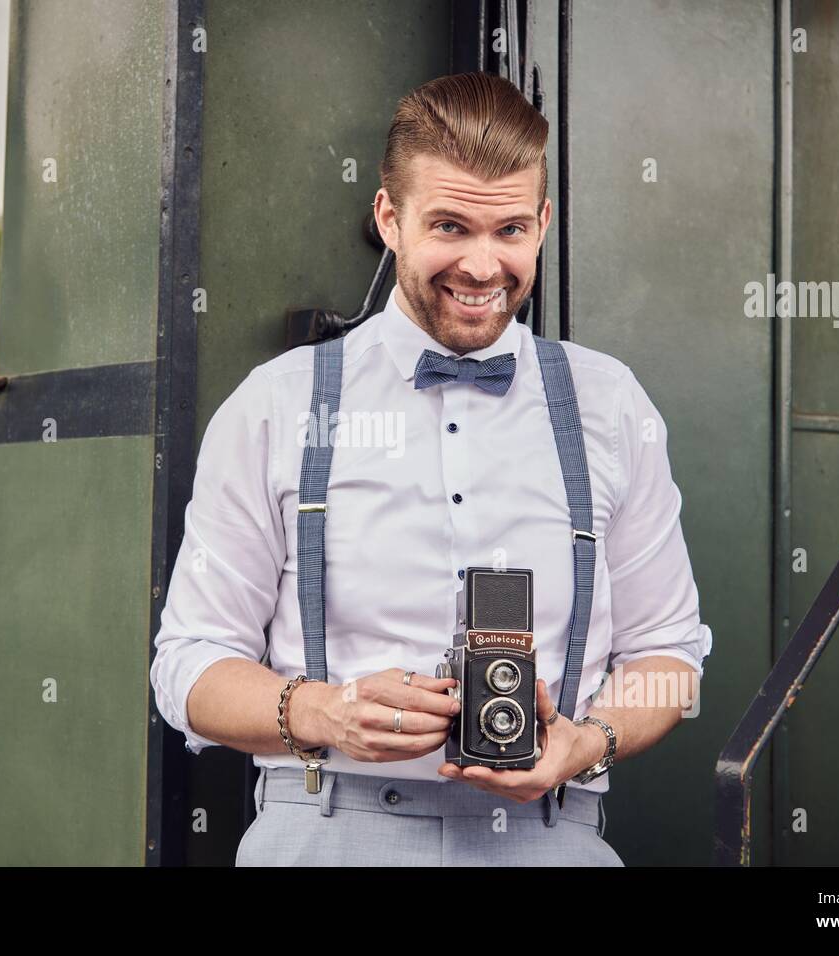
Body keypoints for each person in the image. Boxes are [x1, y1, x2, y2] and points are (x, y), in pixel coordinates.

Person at [150, 71, 712, 866]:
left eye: (511, 231)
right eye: (451, 226)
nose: (485, 268)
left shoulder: (610, 405)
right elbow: (187, 666)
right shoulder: (277, 405)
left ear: (543, 223)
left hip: (552, 839)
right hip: (326, 833)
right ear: (389, 217)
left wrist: (586, 743)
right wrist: (319, 711)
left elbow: (671, 656)